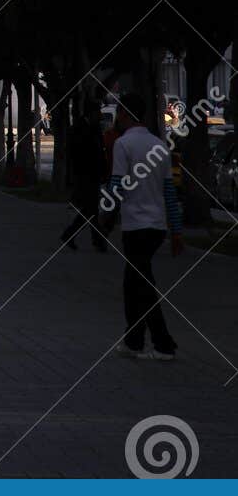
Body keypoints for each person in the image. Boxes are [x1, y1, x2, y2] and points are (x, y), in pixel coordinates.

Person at [105, 91, 182, 359]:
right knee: (134, 282)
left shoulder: (123, 145)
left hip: (135, 224)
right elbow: (169, 192)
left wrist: (106, 216)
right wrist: (176, 230)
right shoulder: (159, 146)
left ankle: (163, 343)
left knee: (142, 285)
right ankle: (134, 339)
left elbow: (117, 184)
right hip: (157, 225)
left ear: (125, 114)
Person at [59, 96, 108, 253]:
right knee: (90, 209)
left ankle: (78, 236)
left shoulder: (95, 128)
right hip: (84, 175)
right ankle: (94, 239)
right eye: (97, 111)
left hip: (93, 175)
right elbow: (75, 154)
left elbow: (101, 151)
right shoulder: (79, 129)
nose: (100, 115)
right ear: (91, 113)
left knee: (90, 210)